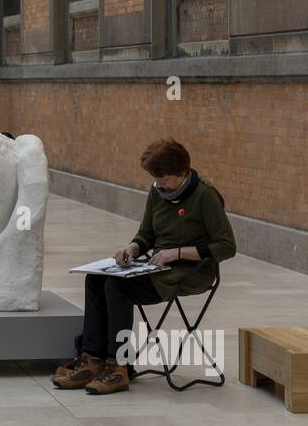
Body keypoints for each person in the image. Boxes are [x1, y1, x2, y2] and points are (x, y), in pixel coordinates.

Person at [53, 138, 236, 395]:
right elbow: (146, 234)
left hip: (190, 272)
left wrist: (175, 253)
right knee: (95, 279)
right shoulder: (157, 192)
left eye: (164, 178)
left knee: (117, 287)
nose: (159, 184)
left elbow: (226, 246)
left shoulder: (205, 196)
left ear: (183, 172)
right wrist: (132, 248)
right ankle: (92, 359)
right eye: (155, 178)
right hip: (158, 266)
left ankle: (119, 367)